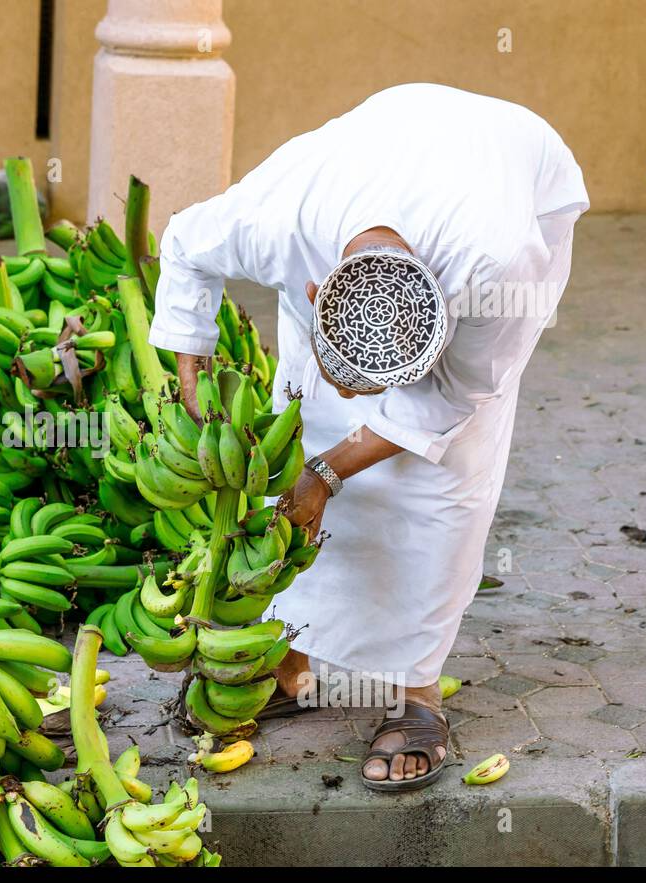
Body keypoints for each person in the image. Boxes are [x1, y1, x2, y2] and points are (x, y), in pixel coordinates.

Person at [148, 83, 588, 791]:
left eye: (375, 384)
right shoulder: (275, 224)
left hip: (515, 163)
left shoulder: (499, 268)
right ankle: (295, 667)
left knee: (444, 482)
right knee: (306, 418)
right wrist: (191, 374)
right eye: (350, 376)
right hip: (382, 143)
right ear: (317, 294)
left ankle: (416, 698)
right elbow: (182, 246)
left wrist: (327, 472)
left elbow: (458, 394)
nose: (360, 398)